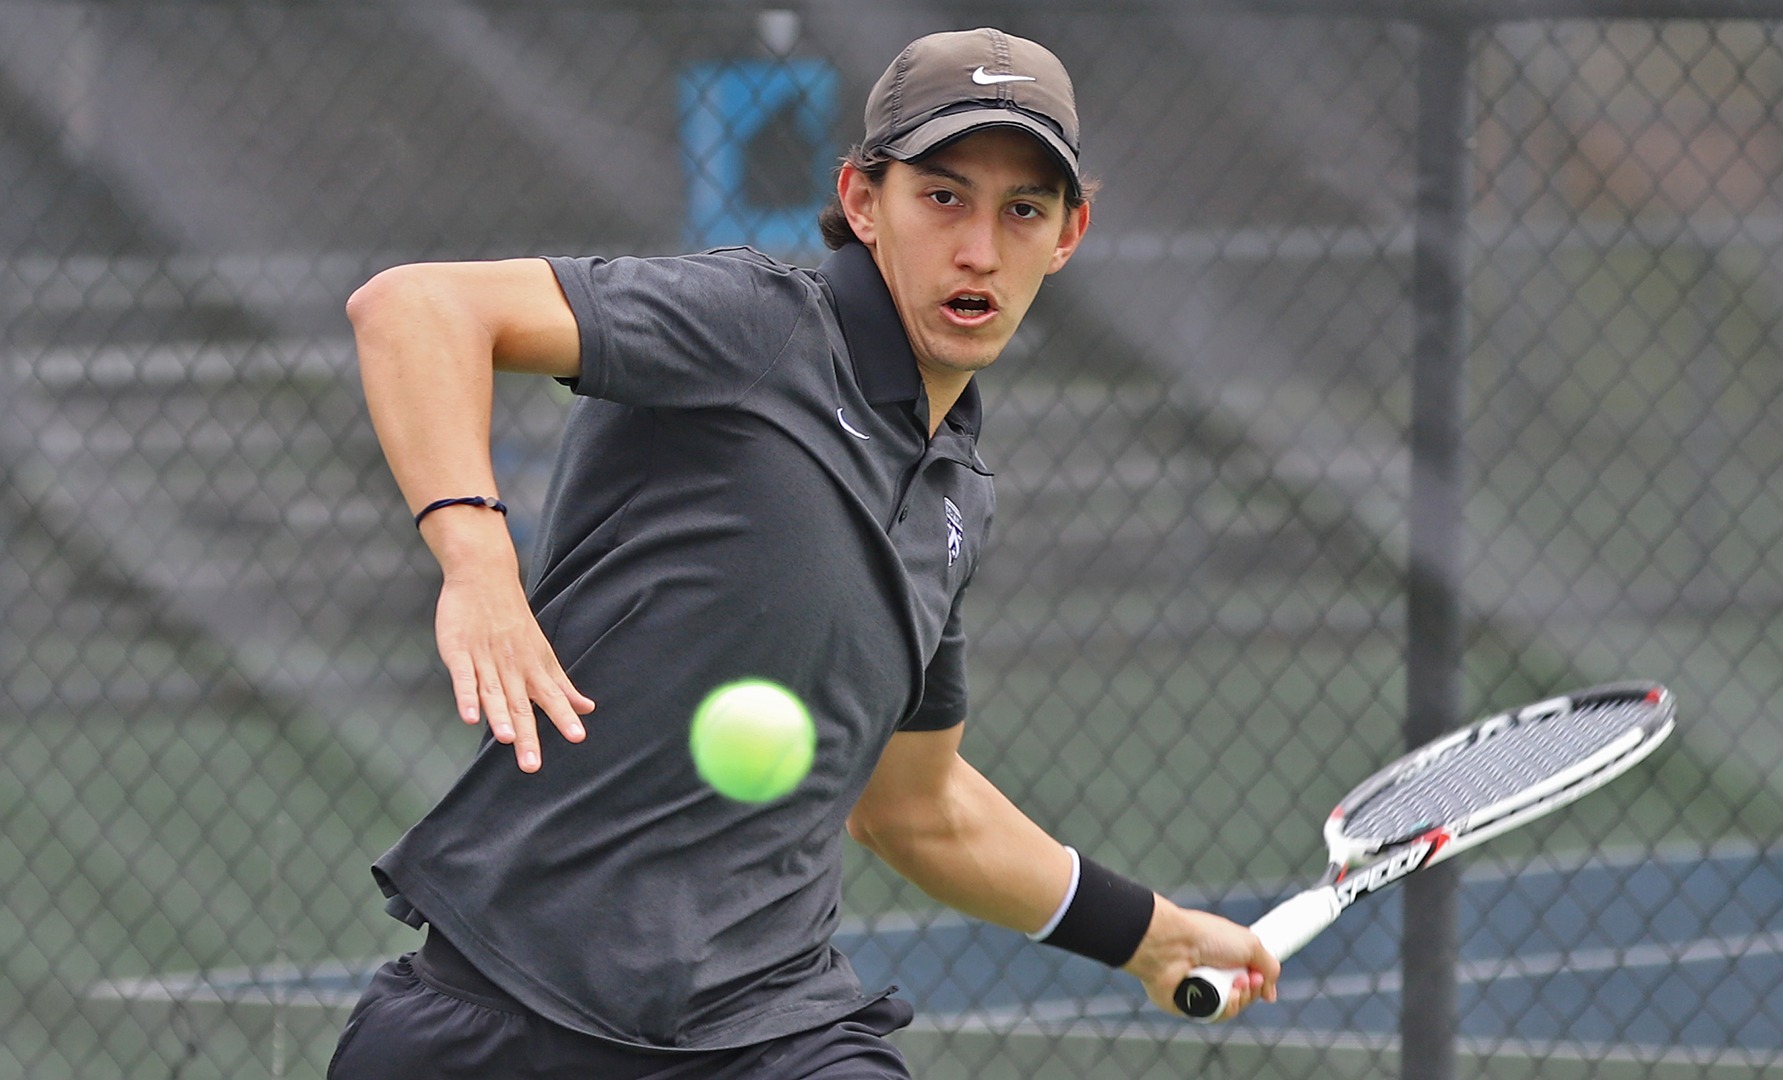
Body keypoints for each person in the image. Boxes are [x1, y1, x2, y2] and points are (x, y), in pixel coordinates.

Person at [330, 26, 1278, 1079]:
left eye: (1024, 211)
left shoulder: (954, 494)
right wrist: (478, 566)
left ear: (1068, 235)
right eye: (944, 197)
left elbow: (915, 808)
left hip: (770, 1033)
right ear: (864, 201)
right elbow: (415, 308)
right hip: (507, 1013)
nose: (980, 249)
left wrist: (1148, 934)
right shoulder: (758, 325)